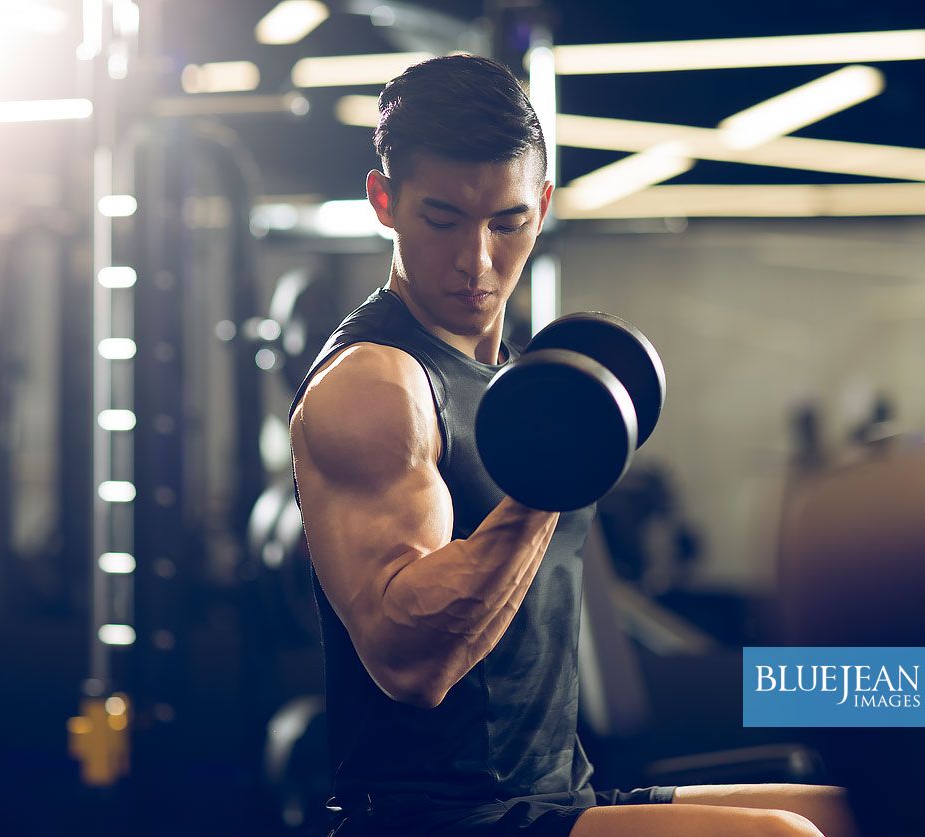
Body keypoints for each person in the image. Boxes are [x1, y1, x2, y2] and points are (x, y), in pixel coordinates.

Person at [288, 54, 854, 837]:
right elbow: (407, 661)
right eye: (442, 219)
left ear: (542, 205)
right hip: (439, 819)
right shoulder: (377, 383)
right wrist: (546, 480)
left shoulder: (519, 376)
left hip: (560, 792)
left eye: (507, 222)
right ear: (384, 201)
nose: (475, 262)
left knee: (871, 812)